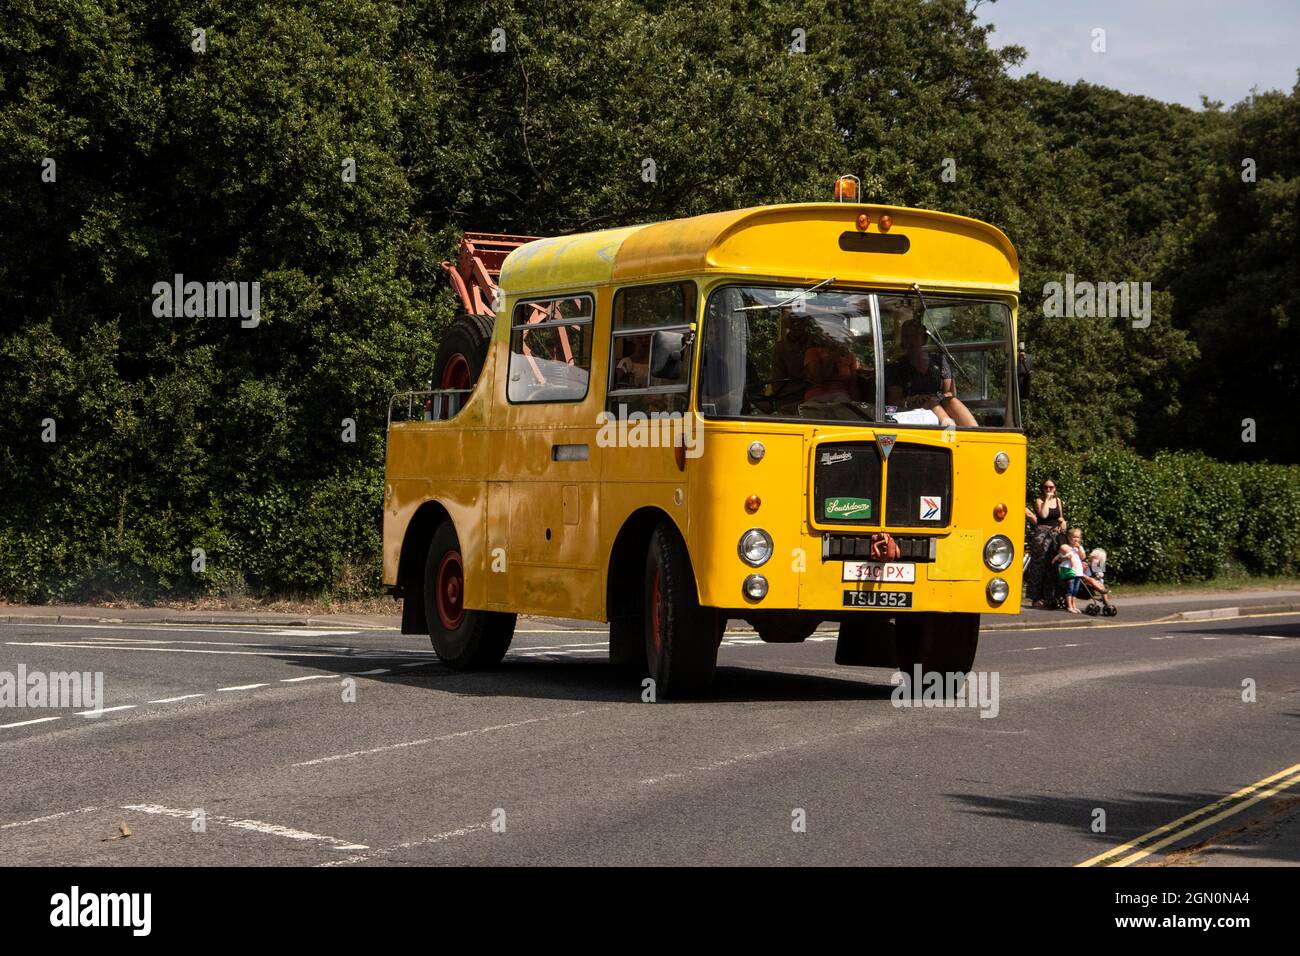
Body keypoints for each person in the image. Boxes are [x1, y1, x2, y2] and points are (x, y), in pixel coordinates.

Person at [884, 318, 977, 427]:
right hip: (911, 412)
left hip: (940, 403)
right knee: (931, 404)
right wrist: (914, 399)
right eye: (906, 336)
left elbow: (950, 393)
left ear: (923, 339)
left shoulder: (939, 361)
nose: (910, 340)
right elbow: (893, 402)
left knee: (952, 401)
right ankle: (949, 427)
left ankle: (978, 436)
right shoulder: (896, 367)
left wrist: (937, 398)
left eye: (914, 336)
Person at [1023, 479, 1067, 607]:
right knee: (1039, 566)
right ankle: (1036, 598)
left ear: (1055, 488)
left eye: (1051, 487)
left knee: (1053, 566)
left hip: (1055, 535)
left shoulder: (1058, 501)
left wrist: (1063, 522)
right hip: (1042, 536)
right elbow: (1043, 514)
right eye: (1046, 487)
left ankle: (1050, 597)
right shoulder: (1039, 501)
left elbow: (1060, 517)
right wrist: (1047, 500)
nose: (1048, 490)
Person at [1053, 542, 1084, 613]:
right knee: (1070, 589)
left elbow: (1082, 557)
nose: (1076, 539)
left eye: (1077, 537)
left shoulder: (1077, 549)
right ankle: (1069, 606)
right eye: (1074, 537)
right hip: (1070, 572)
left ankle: (1074, 606)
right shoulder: (1067, 550)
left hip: (1078, 572)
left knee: (1075, 591)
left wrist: (1079, 548)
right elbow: (1059, 558)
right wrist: (1064, 557)